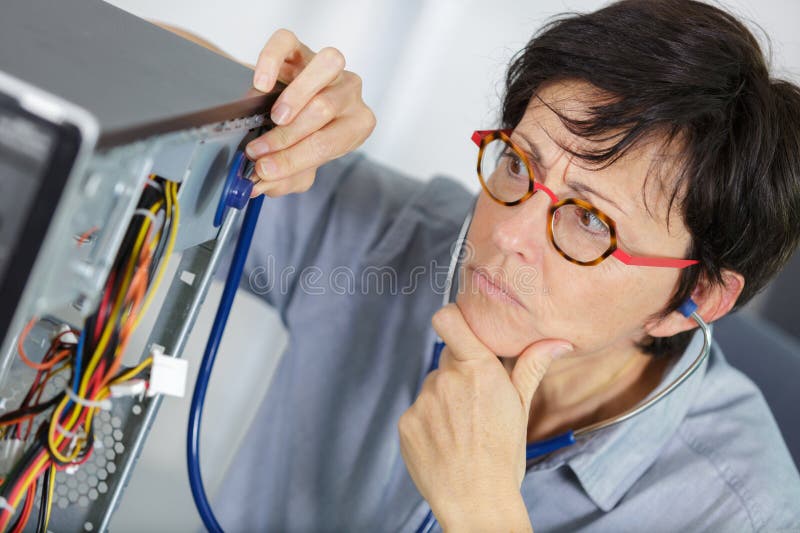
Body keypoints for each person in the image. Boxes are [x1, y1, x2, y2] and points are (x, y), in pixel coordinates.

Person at [195, 0, 800, 530]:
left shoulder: (744, 513)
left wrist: (485, 515)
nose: (506, 233)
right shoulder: (402, 238)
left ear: (694, 300)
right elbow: (120, 119)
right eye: (517, 164)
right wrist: (262, 110)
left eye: (590, 220)